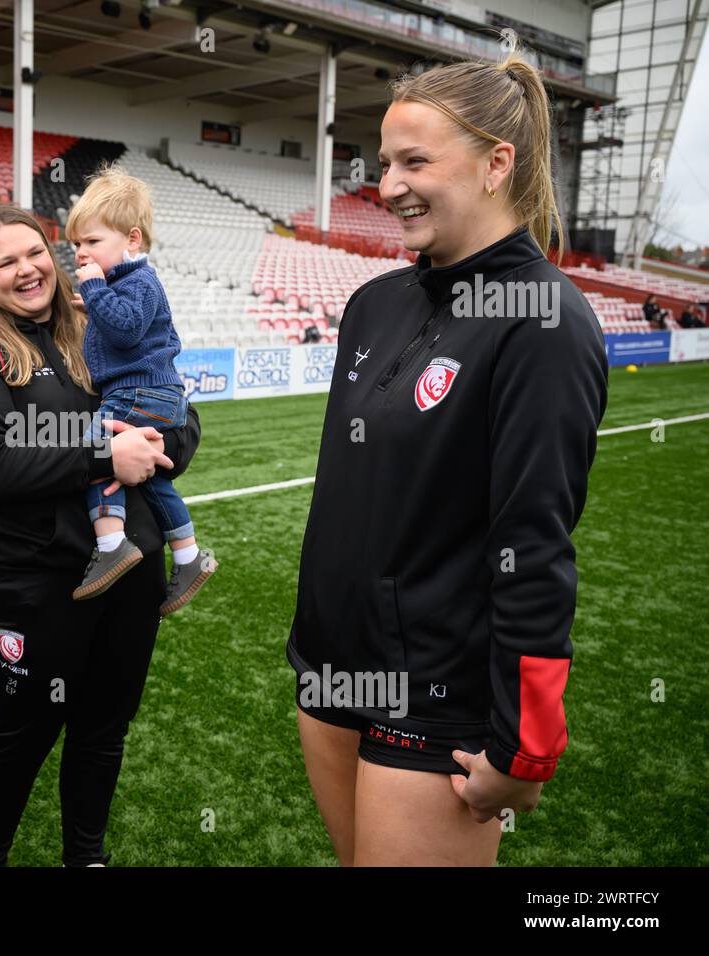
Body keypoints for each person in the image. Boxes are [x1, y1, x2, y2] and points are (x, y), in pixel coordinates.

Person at [285, 51, 608, 866]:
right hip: (330, 677)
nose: (388, 183)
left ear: (499, 163)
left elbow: (534, 547)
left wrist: (526, 748)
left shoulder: (544, 321)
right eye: (385, 161)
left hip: (436, 699)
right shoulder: (373, 304)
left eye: (415, 161)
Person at [0, 204, 201, 866]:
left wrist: (162, 438)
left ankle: (85, 856)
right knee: (20, 733)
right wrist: (103, 455)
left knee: (103, 730)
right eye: (5, 262)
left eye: (34, 254)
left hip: (131, 573)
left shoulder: (94, 327)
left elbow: (178, 413)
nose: (27, 270)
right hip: (40, 583)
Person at [66, 164, 217, 612]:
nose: (80, 253)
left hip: (137, 394)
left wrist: (94, 291)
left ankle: (112, 545)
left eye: (92, 242)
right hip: (154, 396)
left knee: (93, 452)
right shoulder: (125, 283)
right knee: (150, 477)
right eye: (77, 244)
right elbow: (124, 329)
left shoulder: (138, 280)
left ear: (131, 239)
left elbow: (129, 330)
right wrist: (96, 301)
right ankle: (189, 556)